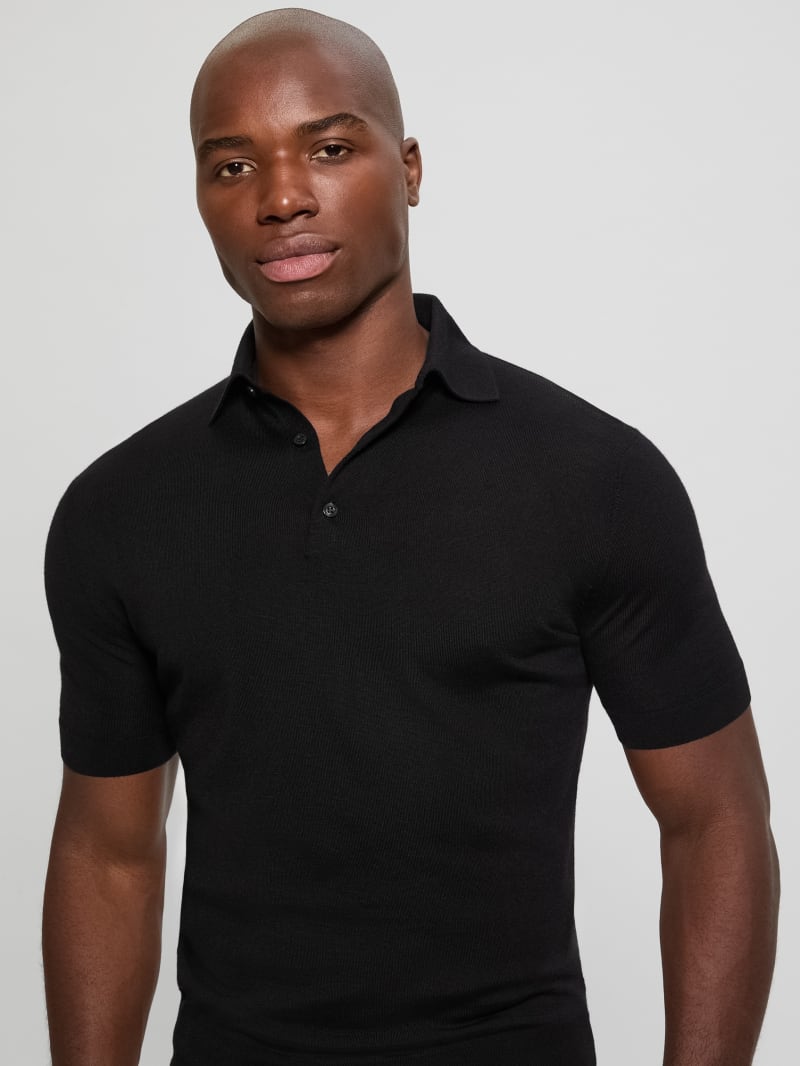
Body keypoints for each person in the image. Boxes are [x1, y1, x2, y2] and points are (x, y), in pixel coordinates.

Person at [41, 8, 779, 1066]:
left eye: (329, 149)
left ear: (410, 168)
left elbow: (716, 822)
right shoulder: (121, 510)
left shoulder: (592, 479)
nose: (282, 197)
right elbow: (108, 856)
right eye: (233, 165)